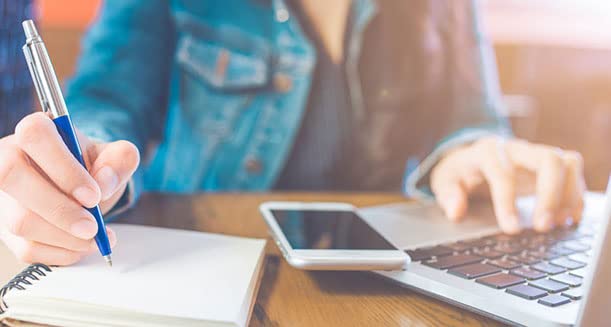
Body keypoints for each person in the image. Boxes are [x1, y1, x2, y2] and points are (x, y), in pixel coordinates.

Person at [0, 0, 585, 266]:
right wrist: (87, 167)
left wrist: (475, 151)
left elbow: (471, 119)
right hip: (205, 257)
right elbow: (107, 100)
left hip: (387, 279)